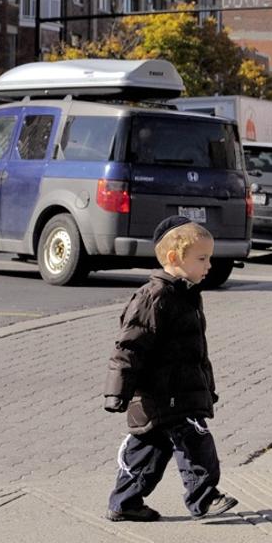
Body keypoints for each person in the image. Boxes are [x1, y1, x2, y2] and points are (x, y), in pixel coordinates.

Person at [104, 217, 238, 522]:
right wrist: (117, 391)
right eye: (202, 259)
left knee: (149, 449)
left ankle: (125, 502)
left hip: (181, 391)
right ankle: (204, 497)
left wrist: (208, 389)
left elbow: (196, 353)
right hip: (165, 393)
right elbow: (129, 346)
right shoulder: (155, 297)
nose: (209, 266)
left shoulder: (187, 294)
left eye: (209, 258)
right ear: (175, 258)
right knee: (195, 441)